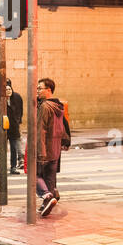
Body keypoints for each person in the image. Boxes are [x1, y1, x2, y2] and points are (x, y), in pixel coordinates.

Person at [35, 78, 70, 216]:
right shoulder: (59, 106)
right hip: (55, 150)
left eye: (39, 88)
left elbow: (41, 130)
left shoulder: (45, 106)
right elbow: (63, 126)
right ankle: (47, 203)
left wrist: (40, 151)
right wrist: (65, 142)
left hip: (45, 148)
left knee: (34, 175)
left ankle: (47, 196)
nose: (37, 91)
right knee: (49, 178)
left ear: (48, 90)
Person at [6, 79, 23, 174]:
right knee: (0, 149)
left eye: (9, 89)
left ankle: (13, 167)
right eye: (6, 89)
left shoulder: (16, 98)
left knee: (14, 148)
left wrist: (18, 121)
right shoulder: (0, 100)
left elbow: (20, 111)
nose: (8, 91)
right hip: (4, 128)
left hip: (14, 128)